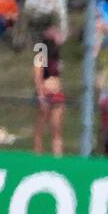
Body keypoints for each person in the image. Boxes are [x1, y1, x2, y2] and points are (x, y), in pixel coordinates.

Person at [32, 26, 65, 157]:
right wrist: (40, 93)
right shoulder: (40, 56)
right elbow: (37, 75)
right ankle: (37, 153)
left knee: (56, 128)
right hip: (45, 93)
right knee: (40, 127)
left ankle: (57, 156)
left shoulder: (57, 57)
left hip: (56, 93)